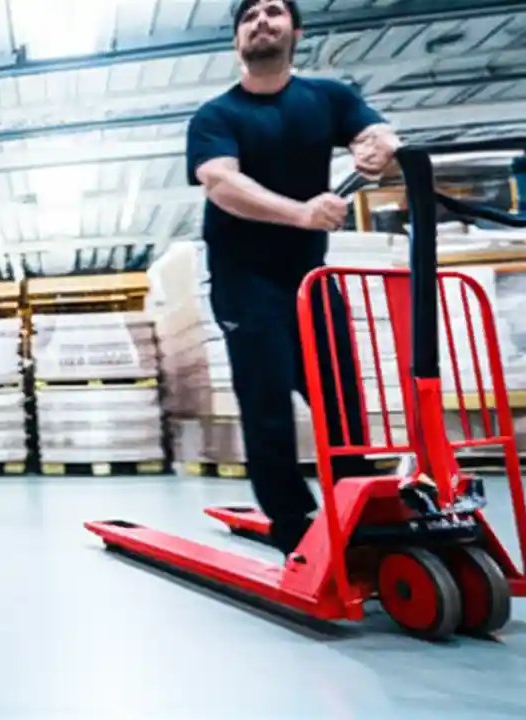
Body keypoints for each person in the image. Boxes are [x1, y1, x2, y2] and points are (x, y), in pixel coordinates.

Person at [185, 0, 401, 557]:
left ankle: (360, 506)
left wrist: (381, 145)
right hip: (244, 277)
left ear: (295, 31)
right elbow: (221, 185)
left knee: (340, 399)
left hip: (310, 277)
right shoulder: (216, 116)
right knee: (267, 402)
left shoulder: (327, 97)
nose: (262, 20)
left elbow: (376, 135)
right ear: (237, 39)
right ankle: (291, 519)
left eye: (275, 11)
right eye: (249, 14)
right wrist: (302, 212)